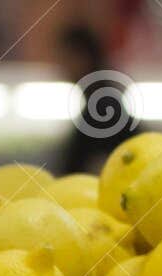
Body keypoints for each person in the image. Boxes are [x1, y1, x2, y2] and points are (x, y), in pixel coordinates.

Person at [55, 23, 141, 174]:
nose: (62, 66)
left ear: (83, 57)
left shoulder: (101, 107)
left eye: (66, 57)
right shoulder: (103, 100)